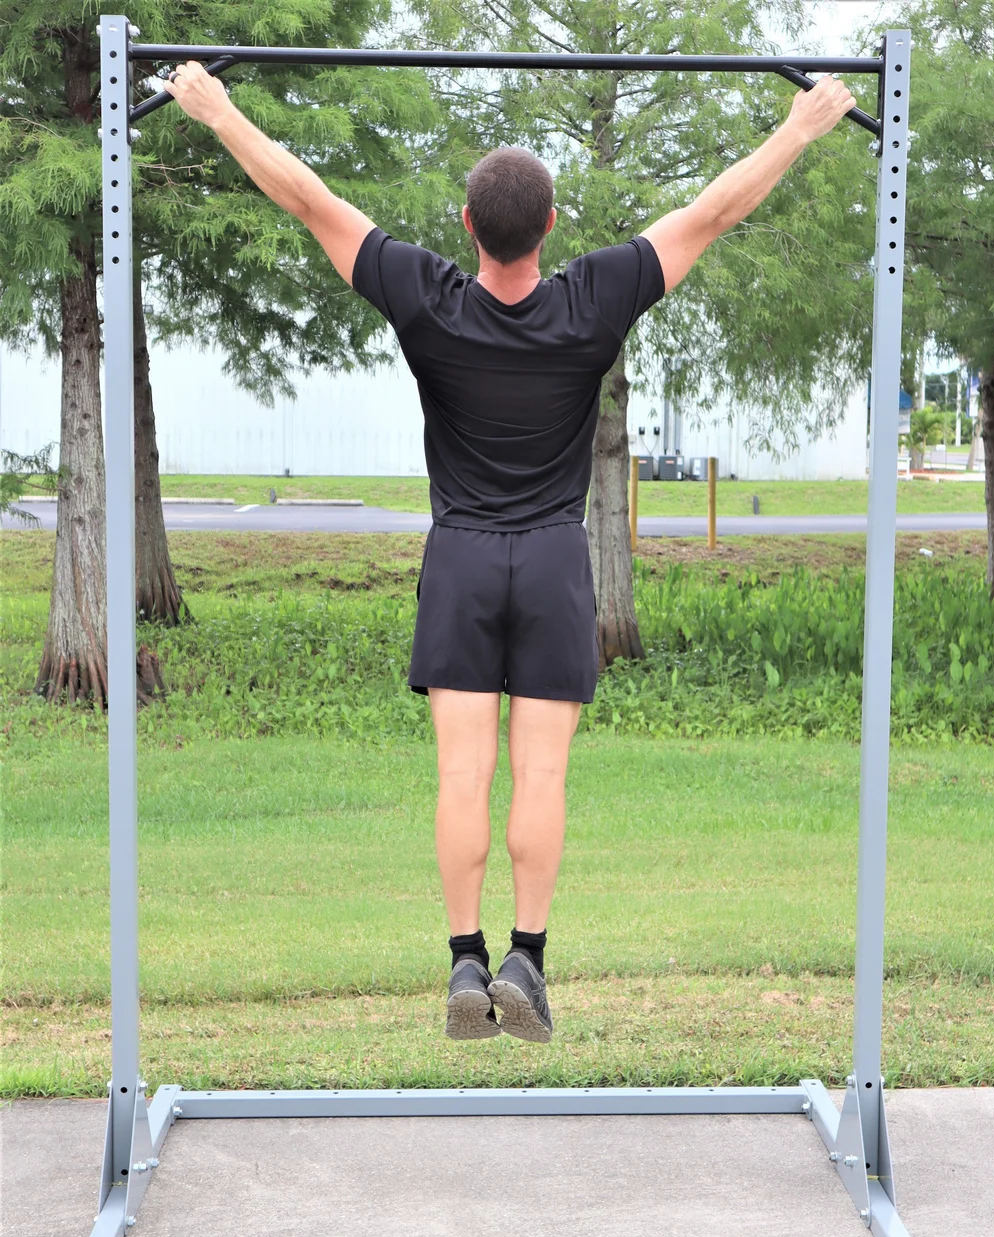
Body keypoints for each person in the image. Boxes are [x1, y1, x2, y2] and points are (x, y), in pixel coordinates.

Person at [164, 62, 857, 1043]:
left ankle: (465, 959)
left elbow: (306, 195)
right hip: (550, 560)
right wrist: (801, 126)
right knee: (539, 778)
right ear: (552, 223)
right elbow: (711, 213)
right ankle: (528, 955)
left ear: (465, 222)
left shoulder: (427, 297)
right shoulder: (593, 298)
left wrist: (217, 110)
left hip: (458, 558)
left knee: (461, 776)